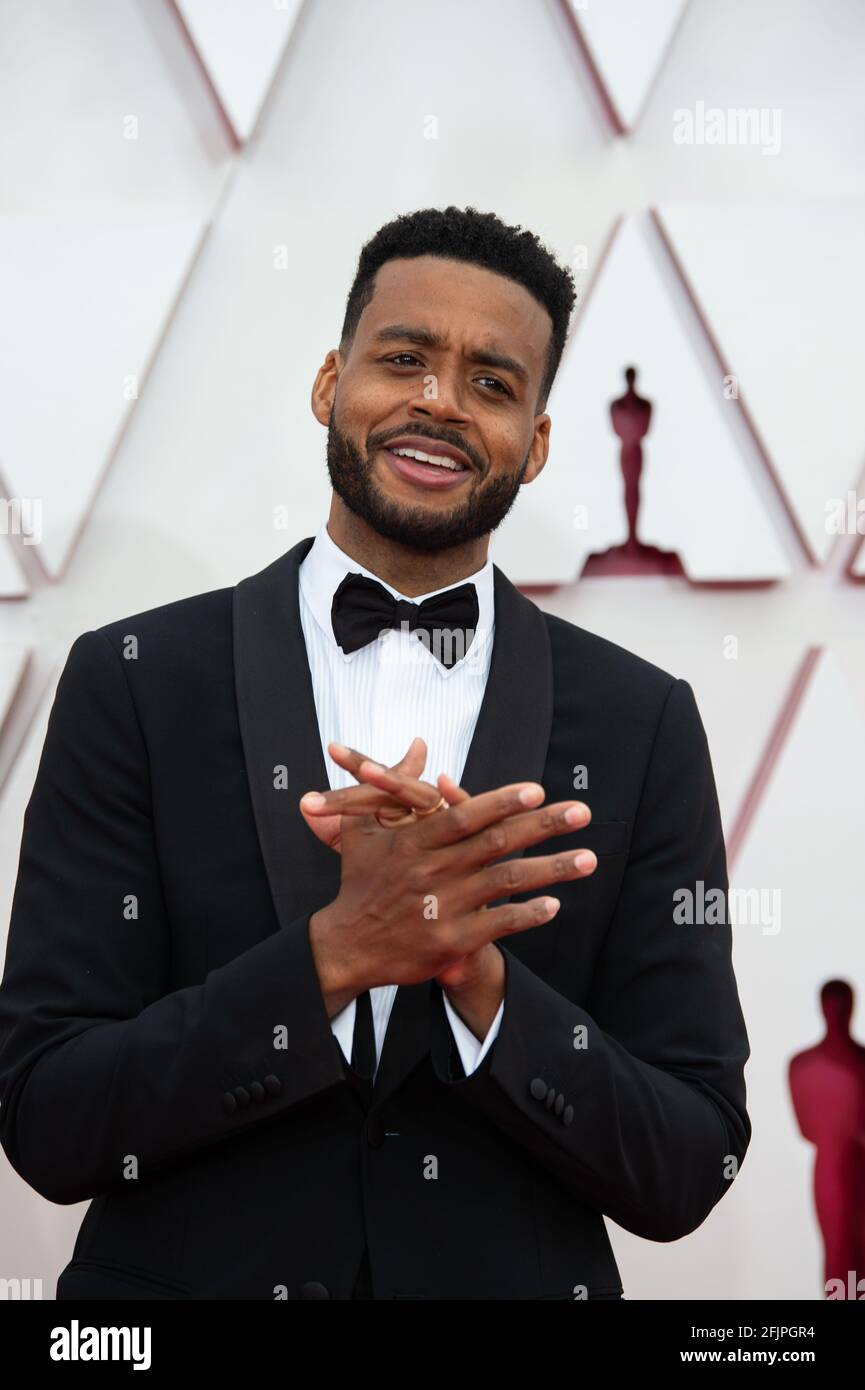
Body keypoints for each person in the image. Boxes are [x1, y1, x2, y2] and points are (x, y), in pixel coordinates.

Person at [0, 206, 750, 1300]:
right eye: (404, 358)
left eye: (492, 383)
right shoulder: (134, 678)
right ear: (328, 384)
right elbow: (48, 1116)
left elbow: (687, 1160)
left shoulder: (639, 722)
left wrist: (478, 977)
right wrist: (336, 954)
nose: (439, 401)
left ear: (535, 445)